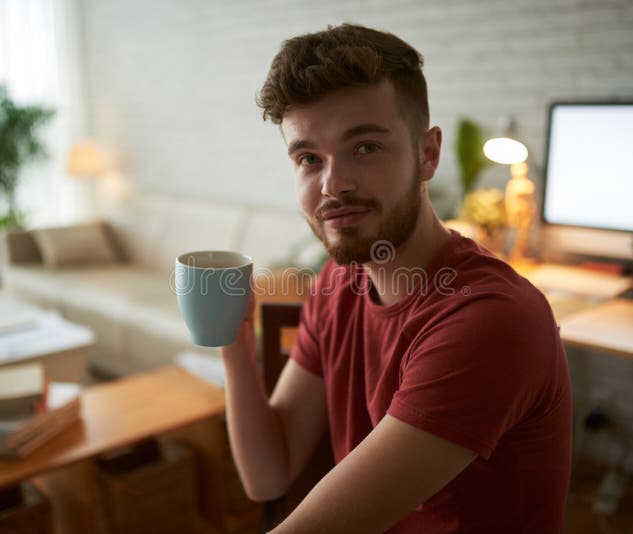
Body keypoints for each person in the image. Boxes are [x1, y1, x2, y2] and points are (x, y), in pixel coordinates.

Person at [220, 23, 572, 533]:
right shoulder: (337, 287)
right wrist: (231, 339)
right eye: (308, 158)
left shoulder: (489, 319)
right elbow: (268, 476)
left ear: (427, 154)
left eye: (365, 147)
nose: (333, 184)